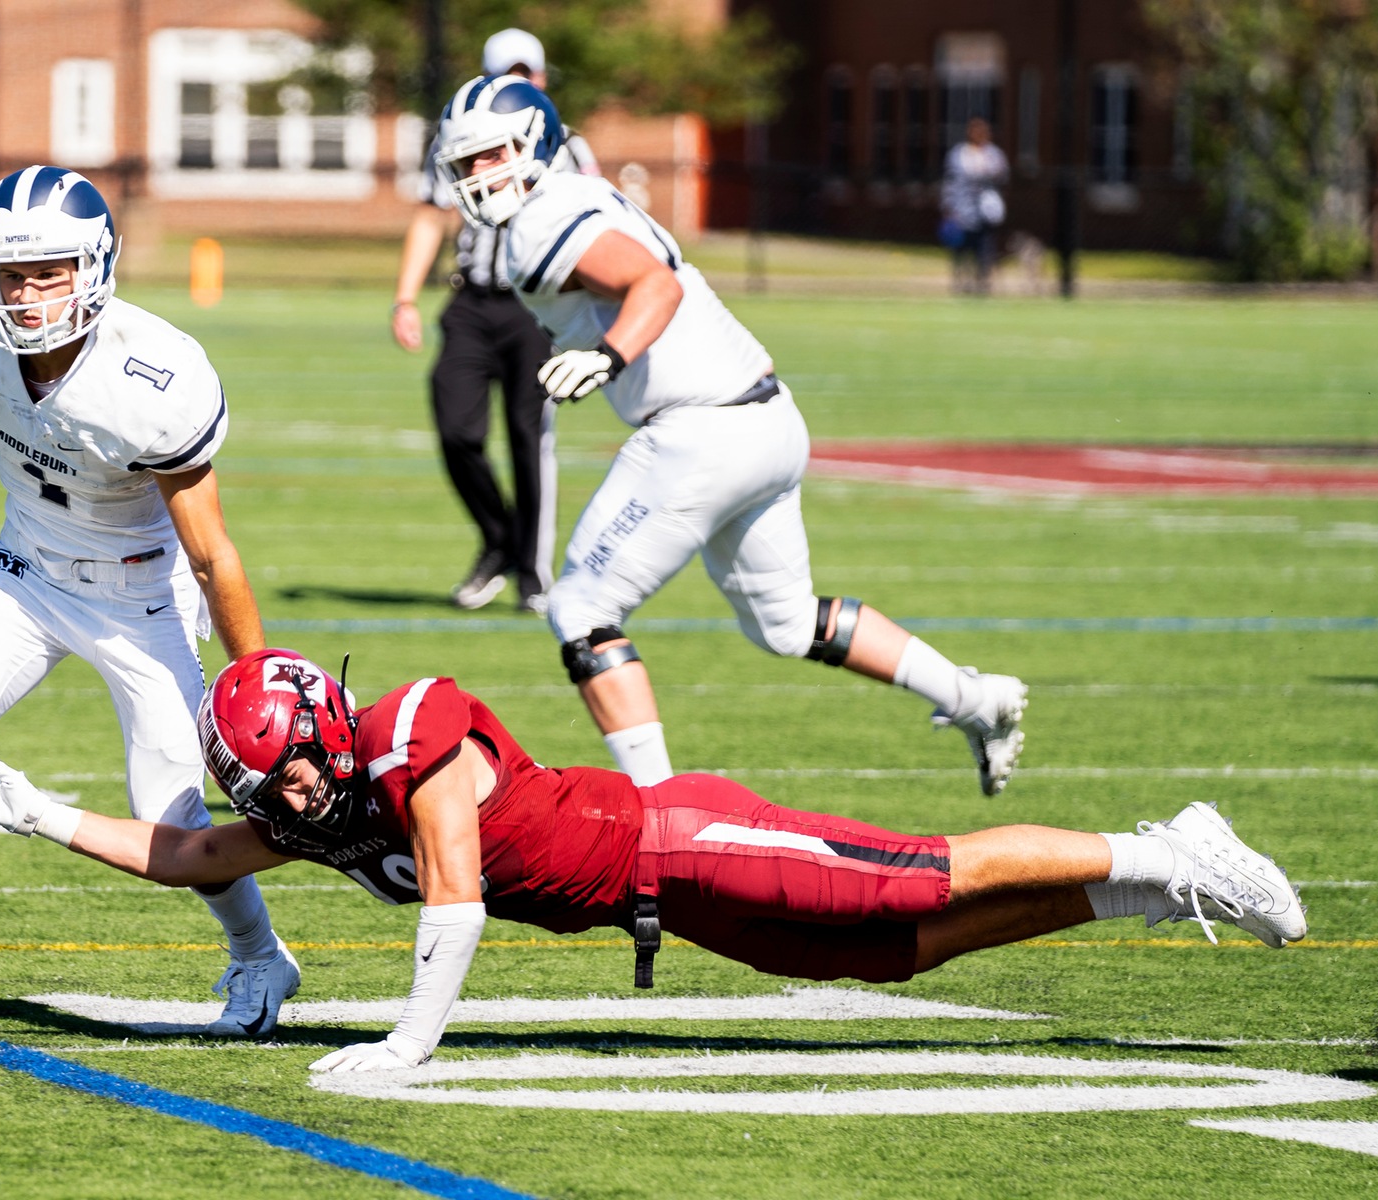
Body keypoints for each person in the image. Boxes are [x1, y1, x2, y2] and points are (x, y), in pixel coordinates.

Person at [0, 648, 1308, 1074]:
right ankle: (1146, 882)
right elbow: (189, 853)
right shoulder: (325, 804)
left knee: (915, 874)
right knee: (901, 949)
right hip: (674, 907)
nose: (282, 796)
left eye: (289, 767)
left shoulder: (408, 732)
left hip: (681, 839)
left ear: (319, 722)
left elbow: (460, 895)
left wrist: (412, 1039)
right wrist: (24, 806)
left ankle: (1163, 843)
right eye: (268, 784)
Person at [430, 77, 1027, 792]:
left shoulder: (538, 220)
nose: (475, 176)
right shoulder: (568, 198)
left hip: (700, 429)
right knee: (785, 623)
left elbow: (655, 284)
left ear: (532, 143)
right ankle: (974, 698)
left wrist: (605, 355)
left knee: (580, 609)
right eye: (463, 164)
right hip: (767, 421)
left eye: (488, 156)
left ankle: (660, 819)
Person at [0, 165, 300, 1037]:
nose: (24, 296)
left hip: (143, 596)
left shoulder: (156, 376)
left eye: (48, 273)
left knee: (172, 817)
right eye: (7, 275)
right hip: (26, 571)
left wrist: (256, 671)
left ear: (94, 268)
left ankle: (261, 960)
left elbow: (212, 549)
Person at [391, 30, 600, 613]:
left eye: (527, 72)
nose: (522, 84)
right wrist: (405, 297)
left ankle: (533, 571)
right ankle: (499, 540)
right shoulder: (457, 138)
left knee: (530, 435)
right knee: (457, 427)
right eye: (506, 74)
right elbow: (432, 216)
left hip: (537, 307)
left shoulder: (568, 148)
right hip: (472, 300)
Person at [941, 117, 1008, 295]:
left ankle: (982, 284)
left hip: (985, 212)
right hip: (962, 211)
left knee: (984, 249)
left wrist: (990, 171)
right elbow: (950, 182)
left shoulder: (994, 154)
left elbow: (1003, 177)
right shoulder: (958, 154)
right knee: (960, 249)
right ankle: (961, 284)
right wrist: (948, 206)